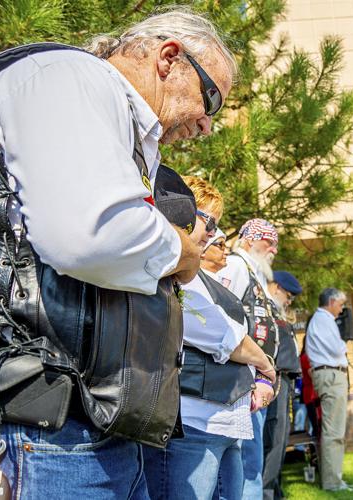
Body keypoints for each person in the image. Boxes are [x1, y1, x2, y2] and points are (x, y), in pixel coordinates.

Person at [0, 7, 234, 498]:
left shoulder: (101, 110)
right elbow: (93, 234)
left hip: (65, 431)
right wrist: (181, 251)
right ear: (170, 58)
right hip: (25, 432)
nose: (206, 126)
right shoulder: (66, 75)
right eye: (209, 99)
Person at [143, 173, 276, 500]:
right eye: (209, 222)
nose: (214, 234)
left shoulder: (199, 275)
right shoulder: (170, 272)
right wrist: (263, 363)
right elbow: (218, 332)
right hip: (193, 421)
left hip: (224, 421)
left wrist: (256, 376)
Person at [216, 218, 281, 500]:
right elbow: (221, 319)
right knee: (246, 464)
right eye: (269, 241)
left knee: (252, 462)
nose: (274, 249)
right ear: (249, 240)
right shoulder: (235, 266)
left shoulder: (254, 273)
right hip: (244, 381)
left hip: (256, 381)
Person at [306, 287, 353, 492]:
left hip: (329, 374)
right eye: (341, 304)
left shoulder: (322, 320)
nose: (341, 309)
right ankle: (333, 482)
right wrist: (343, 346)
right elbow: (337, 349)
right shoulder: (324, 319)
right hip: (331, 375)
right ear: (331, 301)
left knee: (334, 430)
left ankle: (335, 479)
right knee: (334, 431)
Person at [262, 271, 303, 500]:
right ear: (276, 286)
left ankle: (274, 490)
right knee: (273, 439)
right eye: (288, 295)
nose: (289, 301)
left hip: (285, 381)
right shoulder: (265, 309)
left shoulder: (278, 312)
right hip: (273, 378)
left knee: (280, 439)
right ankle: (266, 493)